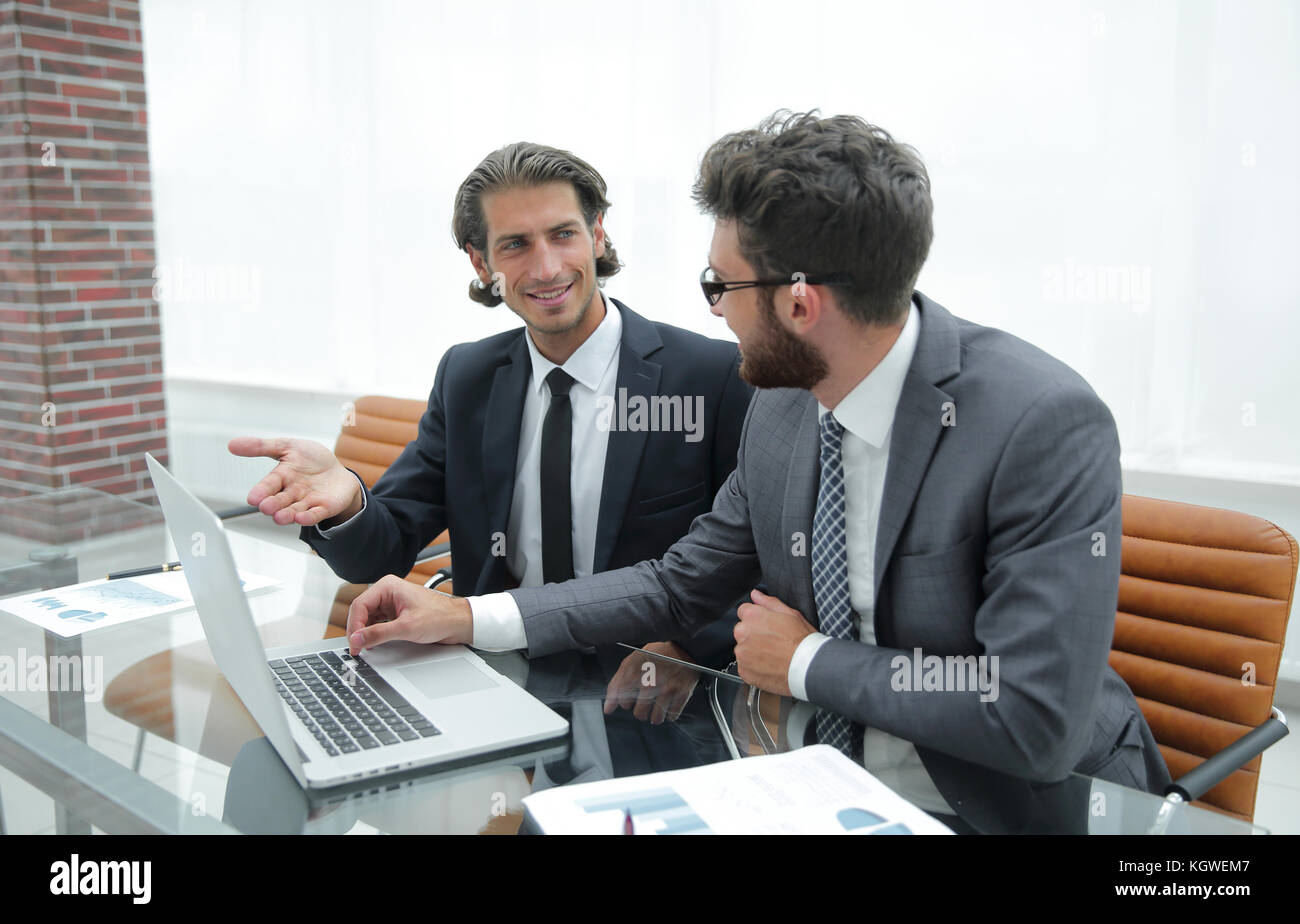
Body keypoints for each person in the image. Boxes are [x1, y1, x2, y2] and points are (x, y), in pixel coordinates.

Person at [338, 113, 1172, 834]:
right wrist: (466, 618)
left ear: (799, 304)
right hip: (801, 783)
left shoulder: (1039, 424)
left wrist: (807, 662)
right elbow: (676, 585)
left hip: (1004, 806)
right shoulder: (784, 405)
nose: (712, 310)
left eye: (720, 285)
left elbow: (1034, 719)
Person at [230, 142, 753, 722]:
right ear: (483, 265)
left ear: (598, 234)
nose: (547, 267)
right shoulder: (468, 377)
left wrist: (689, 645)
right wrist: (348, 500)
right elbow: (383, 548)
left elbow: (756, 556)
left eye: (562, 234)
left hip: (643, 689)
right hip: (497, 676)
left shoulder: (711, 376)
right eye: (515, 245)